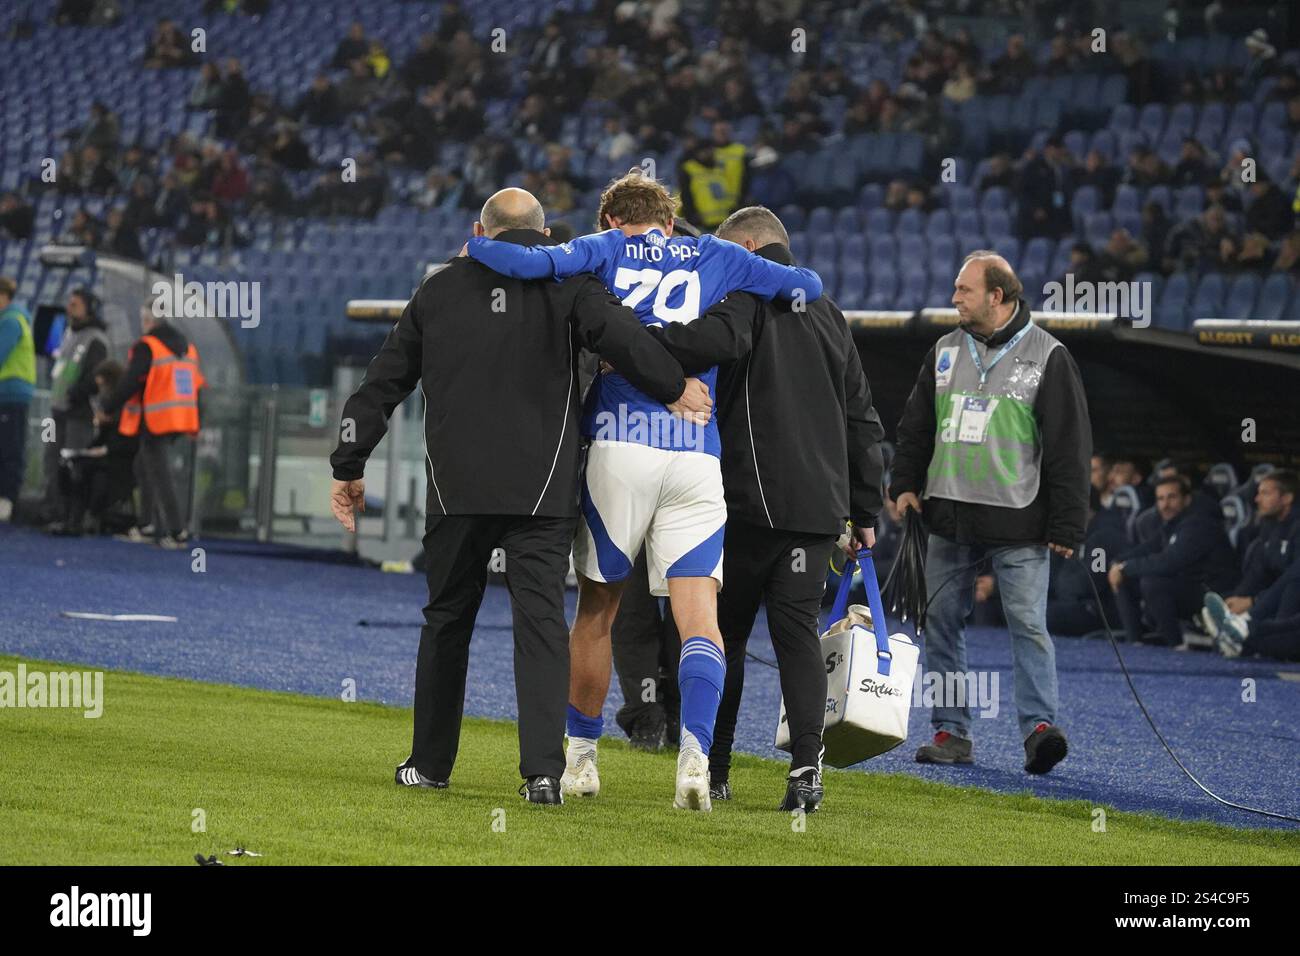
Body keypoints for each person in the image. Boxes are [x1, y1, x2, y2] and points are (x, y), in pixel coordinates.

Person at [329, 188, 706, 805]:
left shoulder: (438, 288)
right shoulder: (571, 281)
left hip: (458, 492)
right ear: (544, 233)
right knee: (539, 626)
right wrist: (674, 388)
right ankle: (541, 775)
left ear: (480, 229)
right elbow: (628, 339)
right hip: (543, 491)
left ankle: (429, 766)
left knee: (447, 620)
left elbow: (383, 382)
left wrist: (349, 462)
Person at [464, 171, 822, 811]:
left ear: (611, 220)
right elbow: (808, 287)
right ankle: (694, 759)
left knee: (598, 610)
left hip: (619, 446)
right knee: (699, 618)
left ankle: (580, 763)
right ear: (668, 217)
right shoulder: (717, 255)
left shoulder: (604, 250)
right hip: (695, 453)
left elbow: (522, 261)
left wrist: (476, 248)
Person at [642, 205, 887, 811]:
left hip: (747, 505)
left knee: (721, 635)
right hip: (815, 515)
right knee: (797, 641)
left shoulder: (746, 300)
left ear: (748, 248)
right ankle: (806, 773)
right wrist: (865, 513)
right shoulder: (832, 317)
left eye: (728, 256)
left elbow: (694, 342)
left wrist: (633, 337)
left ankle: (717, 769)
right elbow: (863, 422)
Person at [890, 251, 1090, 775]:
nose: (954, 298)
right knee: (940, 625)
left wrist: (1067, 523)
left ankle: (1039, 730)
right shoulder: (944, 350)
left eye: (964, 290)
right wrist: (905, 483)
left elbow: (1069, 445)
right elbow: (916, 426)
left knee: (1027, 624)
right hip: (948, 512)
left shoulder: (1050, 356)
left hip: (1018, 515)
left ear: (996, 297)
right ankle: (951, 732)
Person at [96, 305, 204, 548]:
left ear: (147, 320)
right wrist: (198, 420)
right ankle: (147, 524)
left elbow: (131, 380)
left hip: (157, 416)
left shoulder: (149, 346)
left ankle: (177, 531)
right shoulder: (187, 347)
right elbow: (197, 384)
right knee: (144, 465)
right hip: (180, 415)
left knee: (159, 471)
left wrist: (108, 407)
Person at [1108, 474, 1238, 646]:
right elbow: (1149, 547)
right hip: (1189, 585)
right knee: (1127, 578)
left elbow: (1170, 562)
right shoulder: (1173, 523)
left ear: (1186, 498)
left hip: (1212, 594)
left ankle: (1175, 645)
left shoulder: (1200, 523)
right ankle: (1135, 643)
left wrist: (1125, 568)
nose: (1165, 504)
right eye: (1160, 499)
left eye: (1171, 497)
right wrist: (1117, 563)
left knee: (1153, 583)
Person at [42, 287, 110, 522]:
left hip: (78, 413)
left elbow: (96, 376)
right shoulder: (70, 333)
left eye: (75, 305)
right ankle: (54, 510)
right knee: (51, 459)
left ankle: (74, 516)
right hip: (57, 411)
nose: (69, 309)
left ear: (89, 309)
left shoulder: (95, 340)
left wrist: (76, 393)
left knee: (74, 464)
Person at [50, 360, 137, 536]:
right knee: (69, 465)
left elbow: (128, 441)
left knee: (83, 470)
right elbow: (102, 439)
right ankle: (68, 518)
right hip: (106, 453)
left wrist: (104, 449)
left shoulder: (123, 406)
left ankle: (78, 520)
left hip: (118, 459)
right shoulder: (109, 405)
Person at [0, 276, 35, 522]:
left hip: (10, 392)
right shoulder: (11, 319)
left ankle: (7, 499)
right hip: (9, 392)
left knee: (9, 448)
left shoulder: (11, 321)